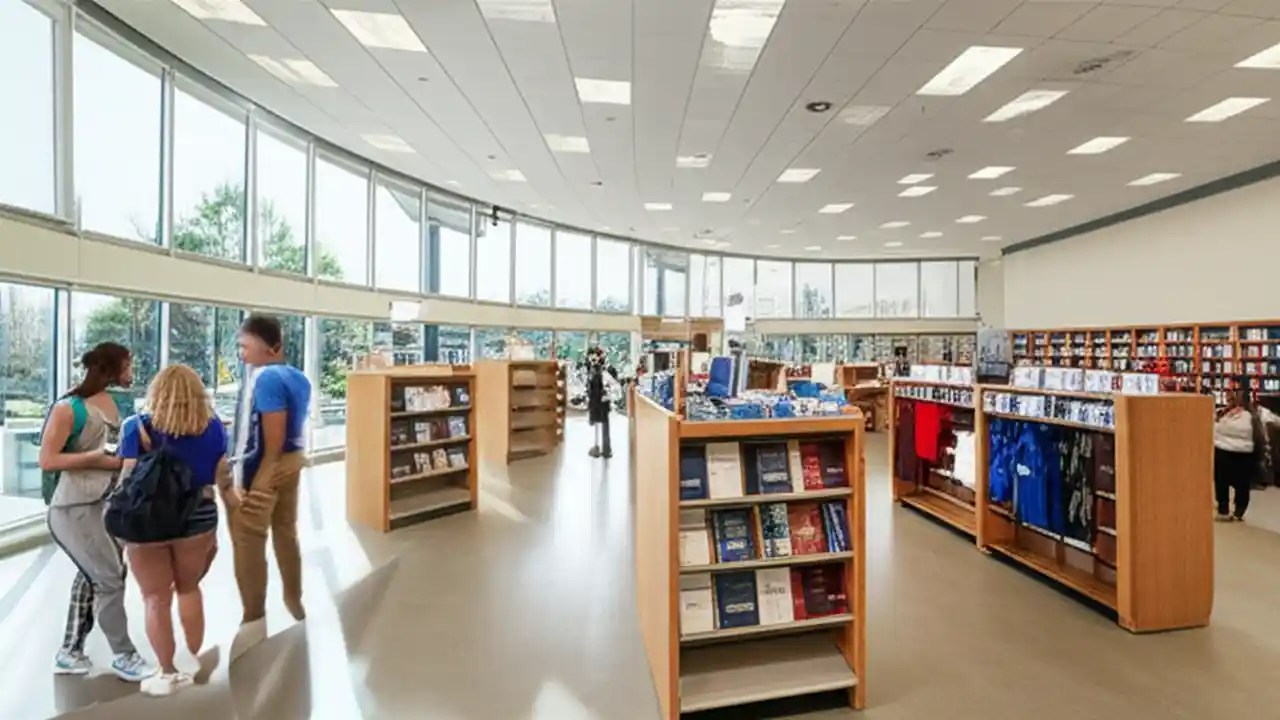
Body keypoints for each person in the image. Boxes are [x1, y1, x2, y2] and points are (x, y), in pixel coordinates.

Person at [40, 342, 155, 681]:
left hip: (104, 503)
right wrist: (98, 460)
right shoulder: (68, 408)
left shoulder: (110, 403)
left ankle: (70, 651)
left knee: (95, 575)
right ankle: (124, 655)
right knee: (107, 578)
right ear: (111, 367)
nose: (131, 371)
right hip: (72, 508)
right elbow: (48, 460)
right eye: (127, 364)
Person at [117, 364, 232, 696]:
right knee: (189, 588)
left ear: (157, 392)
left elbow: (127, 479)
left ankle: (165, 673)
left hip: (146, 522)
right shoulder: (213, 429)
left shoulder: (134, 427)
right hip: (197, 516)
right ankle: (191, 660)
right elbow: (221, 473)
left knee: (155, 598)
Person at [228, 313, 312, 659]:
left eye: (246, 346)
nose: (241, 354)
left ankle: (253, 616)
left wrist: (260, 476)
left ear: (271, 347)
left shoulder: (265, 378)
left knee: (248, 540)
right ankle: (294, 598)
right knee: (286, 531)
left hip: (264, 468)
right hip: (291, 462)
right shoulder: (299, 378)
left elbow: (271, 435)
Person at [1213, 388, 1280, 522]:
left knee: (1240, 484)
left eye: (1233, 397)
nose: (1229, 399)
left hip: (1242, 453)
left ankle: (1237, 510)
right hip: (1223, 450)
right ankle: (1225, 509)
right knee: (1224, 483)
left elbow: (1261, 434)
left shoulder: (1254, 415)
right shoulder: (1222, 413)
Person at [587, 346, 612, 459]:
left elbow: (595, 388)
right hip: (601, 402)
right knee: (603, 425)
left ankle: (601, 448)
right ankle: (604, 449)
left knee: (600, 423)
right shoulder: (600, 370)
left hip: (598, 401)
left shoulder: (598, 371)